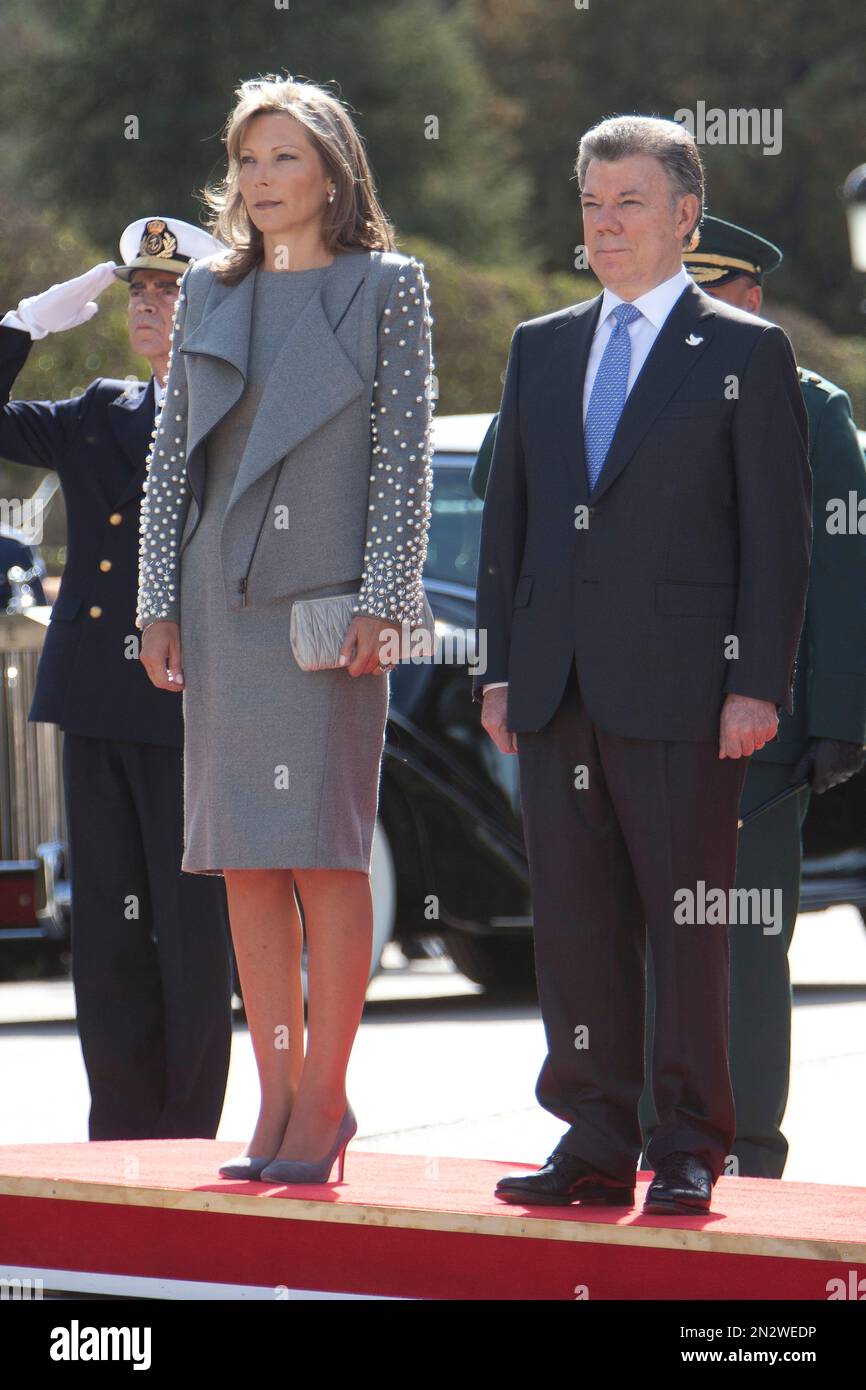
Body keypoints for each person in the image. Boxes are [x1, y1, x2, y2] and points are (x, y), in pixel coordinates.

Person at [473, 114, 811, 1215]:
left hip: (685, 691)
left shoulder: (746, 351)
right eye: (590, 203)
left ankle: (687, 1143)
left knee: (688, 928)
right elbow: (508, 527)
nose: (604, 222)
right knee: (572, 930)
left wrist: (756, 681)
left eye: (627, 201)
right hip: (555, 687)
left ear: (682, 216)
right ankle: (590, 1137)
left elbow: (776, 536)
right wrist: (497, 671)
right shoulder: (540, 345)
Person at [137, 75, 434, 1185]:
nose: (261, 182)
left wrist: (386, 599)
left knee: (321, 849)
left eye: (284, 160)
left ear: (332, 173)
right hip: (220, 606)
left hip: (329, 610)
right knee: (245, 862)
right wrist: (154, 603)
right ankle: (271, 1099)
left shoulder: (385, 288)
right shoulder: (211, 293)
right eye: (247, 161)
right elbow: (173, 461)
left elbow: (404, 457)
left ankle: (325, 1101)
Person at [637, 216, 866, 1178]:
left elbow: (844, 569)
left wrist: (840, 719)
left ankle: (748, 1154)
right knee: (649, 942)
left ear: (750, 301)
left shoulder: (811, 409)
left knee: (740, 949)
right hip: (639, 717)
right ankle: (657, 1143)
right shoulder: (617, 391)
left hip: (760, 732)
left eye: (707, 296)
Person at [0, 217, 234, 1139]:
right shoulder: (103, 409)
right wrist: (23, 324)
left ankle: (186, 1131)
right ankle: (122, 1131)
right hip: (98, 692)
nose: (149, 304)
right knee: (105, 931)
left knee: (188, 931)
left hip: (193, 700)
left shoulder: (234, 410)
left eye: (170, 290)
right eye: (139, 290)